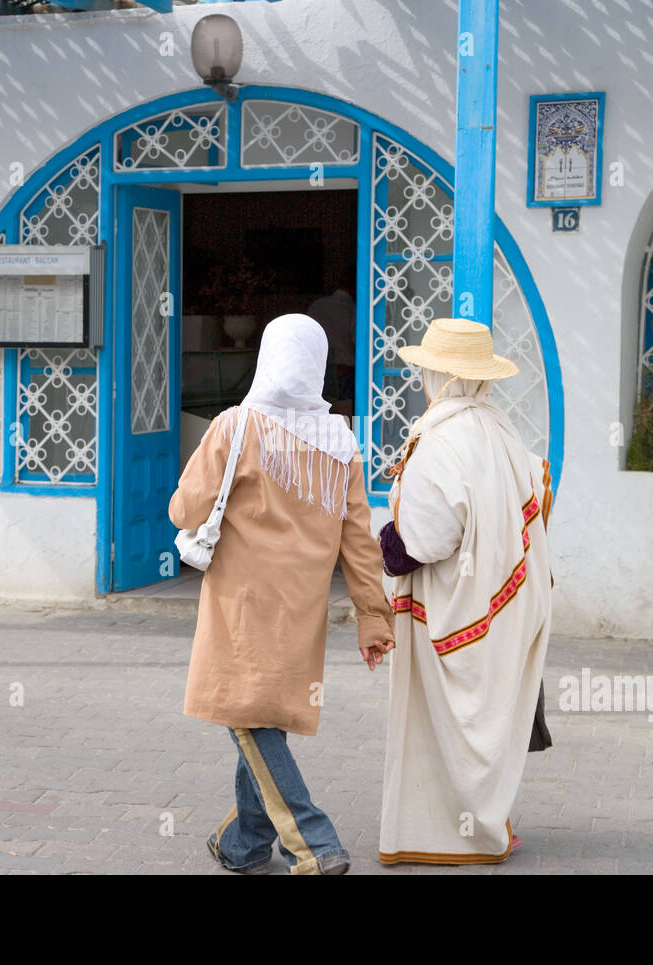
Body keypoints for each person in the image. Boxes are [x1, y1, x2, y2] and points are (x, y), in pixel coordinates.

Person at [169, 313, 394, 875]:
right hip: (303, 609)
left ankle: (315, 844)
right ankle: (243, 843)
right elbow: (359, 541)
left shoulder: (234, 426)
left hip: (241, 607)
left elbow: (185, 510)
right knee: (259, 712)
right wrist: (373, 617)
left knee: (247, 716)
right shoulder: (340, 442)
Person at [376, 316, 555, 865]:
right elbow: (537, 491)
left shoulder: (440, 438)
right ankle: (491, 818)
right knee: (487, 713)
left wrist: (381, 542)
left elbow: (427, 539)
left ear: (441, 375)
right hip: (507, 600)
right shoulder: (498, 426)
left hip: (454, 604)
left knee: (450, 721)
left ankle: (461, 833)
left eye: (429, 370)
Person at [307, 268, 356, 417]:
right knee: (345, 413)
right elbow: (357, 341)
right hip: (344, 369)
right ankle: (359, 438)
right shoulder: (352, 309)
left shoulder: (317, 305)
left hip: (318, 368)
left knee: (317, 412)